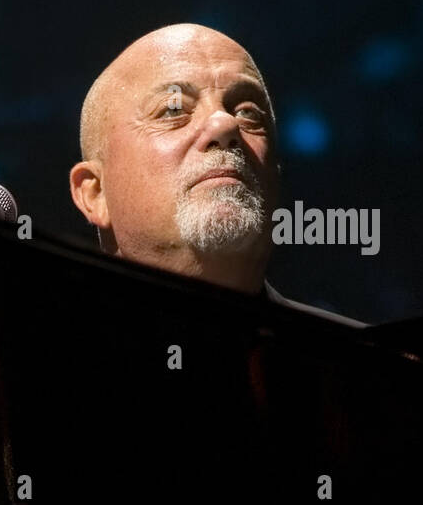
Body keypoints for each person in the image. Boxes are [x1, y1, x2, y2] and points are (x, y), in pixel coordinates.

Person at [70, 22, 366, 327]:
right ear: (96, 193)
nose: (225, 124)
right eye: (173, 110)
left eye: (248, 112)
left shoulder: (360, 355)